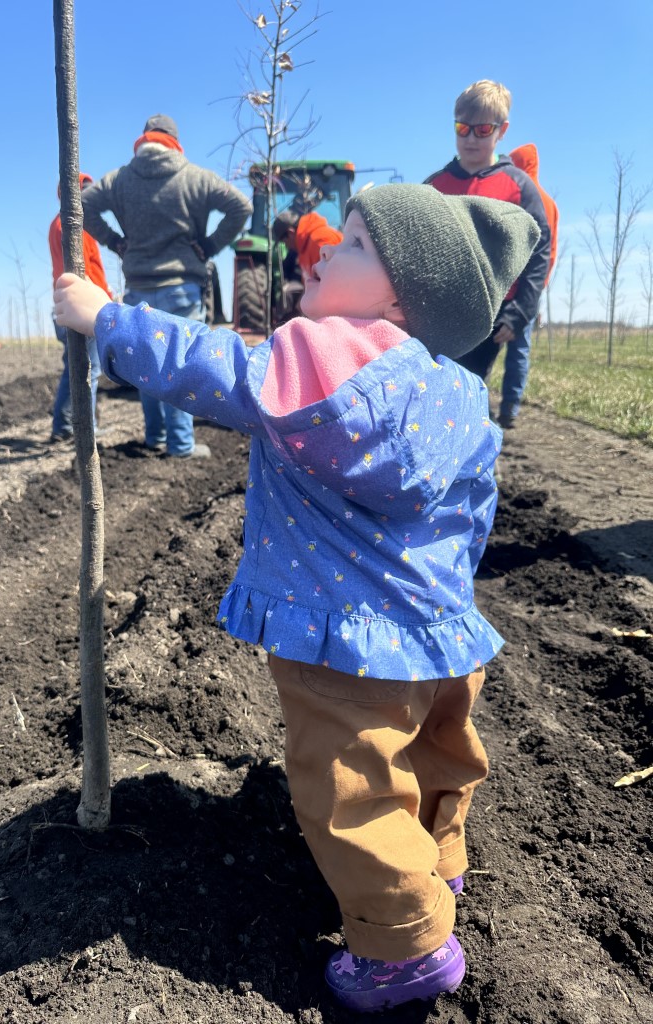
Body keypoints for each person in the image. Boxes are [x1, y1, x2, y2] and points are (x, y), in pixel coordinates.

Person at [54, 183, 539, 1012]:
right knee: (435, 756)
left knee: (347, 792)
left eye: (348, 243)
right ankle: (442, 862)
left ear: (397, 294)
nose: (318, 250)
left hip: (346, 643)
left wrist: (106, 320)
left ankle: (403, 945)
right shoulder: (459, 393)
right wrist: (447, 606)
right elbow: (473, 515)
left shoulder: (318, 354)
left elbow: (216, 365)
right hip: (444, 632)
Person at [81, 114, 252, 458]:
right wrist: (209, 246)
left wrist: (115, 242)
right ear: (174, 142)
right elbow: (241, 206)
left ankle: (155, 436)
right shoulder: (195, 177)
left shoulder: (119, 180)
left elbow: (82, 204)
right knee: (181, 361)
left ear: (144, 140)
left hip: (138, 286)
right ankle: (181, 444)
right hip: (182, 286)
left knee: (144, 360)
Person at [425, 80, 551, 429]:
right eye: (462, 128)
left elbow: (540, 250)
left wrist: (522, 310)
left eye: (482, 130)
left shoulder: (518, 188)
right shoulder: (435, 186)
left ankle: (478, 465)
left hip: (492, 315)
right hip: (442, 311)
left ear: (502, 130)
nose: (470, 139)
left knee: (467, 385)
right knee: (439, 389)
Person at [48, 172, 113, 443]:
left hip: (78, 306)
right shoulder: (69, 227)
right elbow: (80, 274)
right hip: (81, 309)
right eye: (84, 191)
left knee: (76, 369)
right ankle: (80, 430)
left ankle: (68, 426)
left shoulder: (72, 226)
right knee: (87, 371)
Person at [510, 143, 559, 285]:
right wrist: (540, 284)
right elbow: (551, 251)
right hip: (533, 286)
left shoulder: (512, 194)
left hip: (508, 285)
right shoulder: (550, 204)